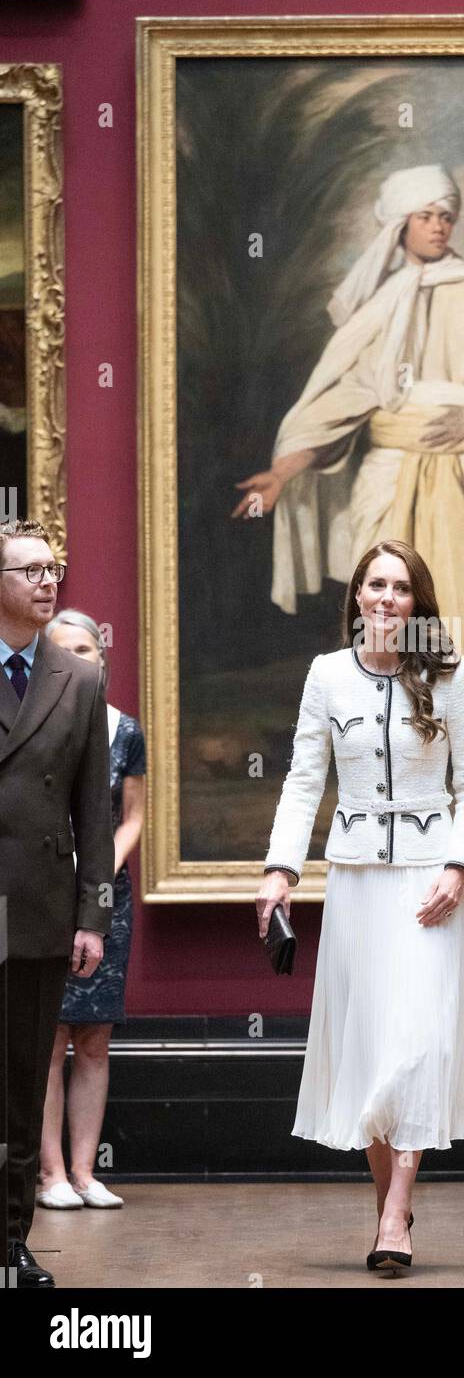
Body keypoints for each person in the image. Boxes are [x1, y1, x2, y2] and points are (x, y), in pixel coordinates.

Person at [233, 162, 464, 786]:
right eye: (426, 216)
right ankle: (393, 749)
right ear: (400, 226)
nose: (439, 226)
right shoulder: (376, 307)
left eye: (446, 215)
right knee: (389, 613)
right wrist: (282, 473)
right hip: (392, 479)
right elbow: (337, 403)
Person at [255, 539, 464, 1276]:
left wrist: (461, 866)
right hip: (354, 881)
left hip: (428, 881)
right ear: (356, 596)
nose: (385, 598)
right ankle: (387, 1197)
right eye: (373, 585)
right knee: (365, 1052)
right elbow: (302, 782)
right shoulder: (326, 676)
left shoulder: (447, 674)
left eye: (398, 587)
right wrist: (278, 872)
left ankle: (395, 1212)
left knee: (418, 1042)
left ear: (416, 601)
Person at [0, 520, 114, 1287]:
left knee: (17, 1082)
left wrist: (93, 916)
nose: (49, 581)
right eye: (30, 569)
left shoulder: (78, 682)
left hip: (36, 907)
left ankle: (11, 1239)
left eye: (55, 568)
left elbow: (93, 815)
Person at [36, 610, 146, 1211]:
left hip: (105, 897)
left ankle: (85, 1172)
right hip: (46, 890)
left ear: (101, 659)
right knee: (49, 1037)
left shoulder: (124, 729)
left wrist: (96, 870)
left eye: (87, 649)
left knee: (95, 1038)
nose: (78, 659)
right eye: (65, 650)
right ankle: (49, 1174)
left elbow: (131, 818)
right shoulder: (35, 721)